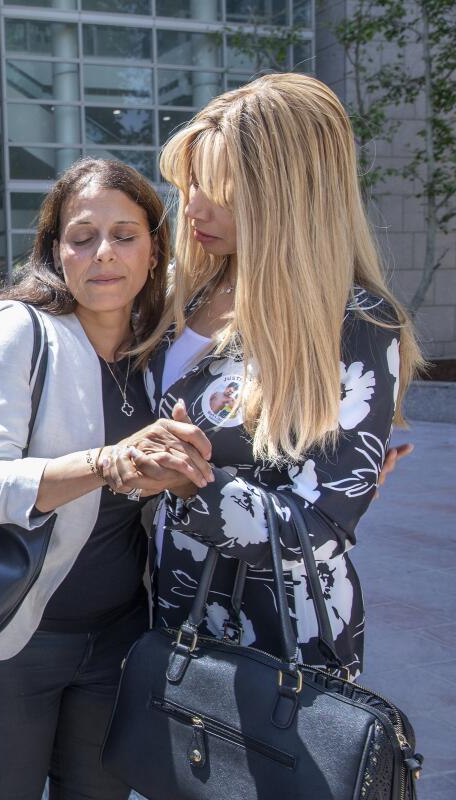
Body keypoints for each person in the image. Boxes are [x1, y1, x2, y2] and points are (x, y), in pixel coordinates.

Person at [108, 72, 423, 678]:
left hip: (278, 646)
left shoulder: (353, 322)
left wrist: (192, 484)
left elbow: (319, 531)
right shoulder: (180, 292)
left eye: (219, 188)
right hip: (169, 615)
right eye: (190, 181)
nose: (192, 206)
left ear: (287, 192)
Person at [0, 159, 215, 800]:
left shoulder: (161, 346)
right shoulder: (21, 327)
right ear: (56, 251)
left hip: (121, 638)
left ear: (154, 250)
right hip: (9, 641)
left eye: (124, 234)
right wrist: (106, 461)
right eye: (82, 236)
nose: (103, 254)